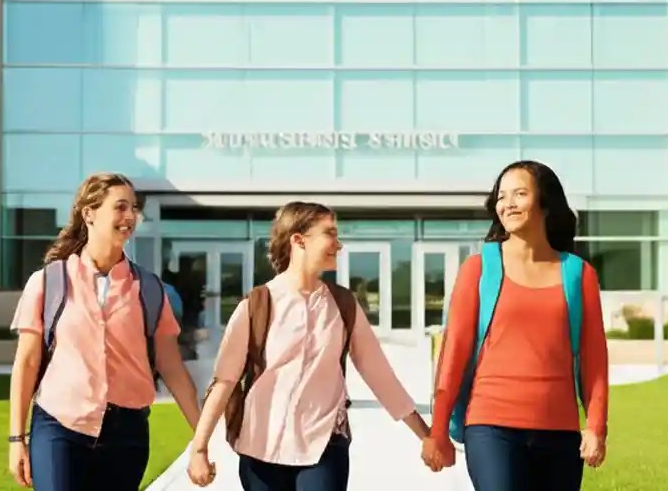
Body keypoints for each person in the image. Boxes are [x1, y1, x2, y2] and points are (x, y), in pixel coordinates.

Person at [184, 201, 440, 490]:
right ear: (298, 240)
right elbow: (225, 381)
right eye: (329, 233)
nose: (338, 244)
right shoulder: (257, 305)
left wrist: (426, 434)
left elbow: (380, 376)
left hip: (324, 446)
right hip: (261, 448)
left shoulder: (343, 305)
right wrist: (199, 448)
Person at [6, 172, 201, 491]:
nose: (130, 217)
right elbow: (26, 363)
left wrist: (202, 436)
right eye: (120, 207)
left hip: (127, 434)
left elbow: (171, 367)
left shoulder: (149, 289)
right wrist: (17, 439)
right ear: (89, 213)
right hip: (60, 426)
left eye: (134, 208)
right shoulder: (48, 283)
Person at [424, 160, 610, 490]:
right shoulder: (478, 269)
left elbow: (594, 361)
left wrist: (596, 426)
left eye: (519, 194)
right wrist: (438, 430)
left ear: (545, 202)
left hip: (559, 429)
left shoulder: (578, 274)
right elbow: (454, 354)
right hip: (490, 425)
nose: (507, 204)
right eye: (501, 196)